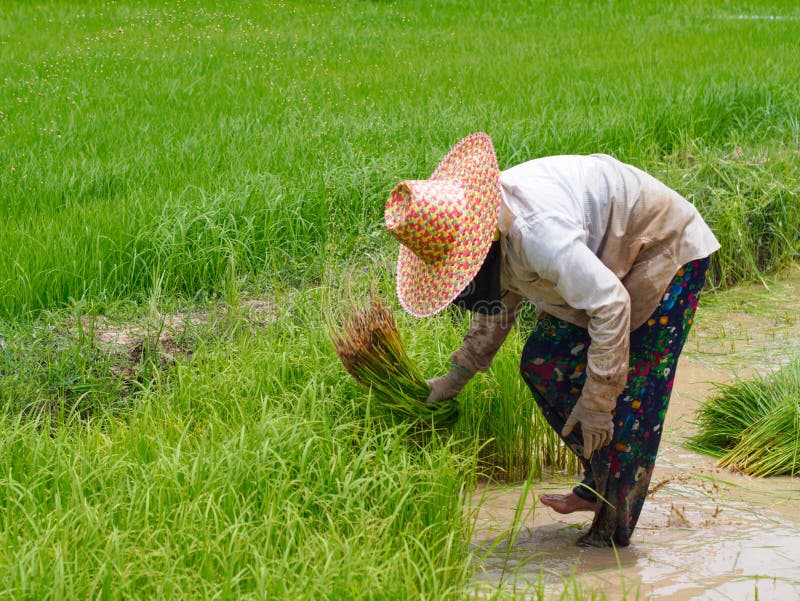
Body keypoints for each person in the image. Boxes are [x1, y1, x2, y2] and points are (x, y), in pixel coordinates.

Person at [383, 132, 719, 548]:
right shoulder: (487, 229)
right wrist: (456, 377)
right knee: (544, 362)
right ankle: (599, 483)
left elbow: (611, 304)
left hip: (662, 250)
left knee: (632, 399)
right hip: (604, 266)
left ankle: (609, 537)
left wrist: (597, 402)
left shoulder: (535, 233)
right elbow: (499, 301)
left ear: (476, 247)